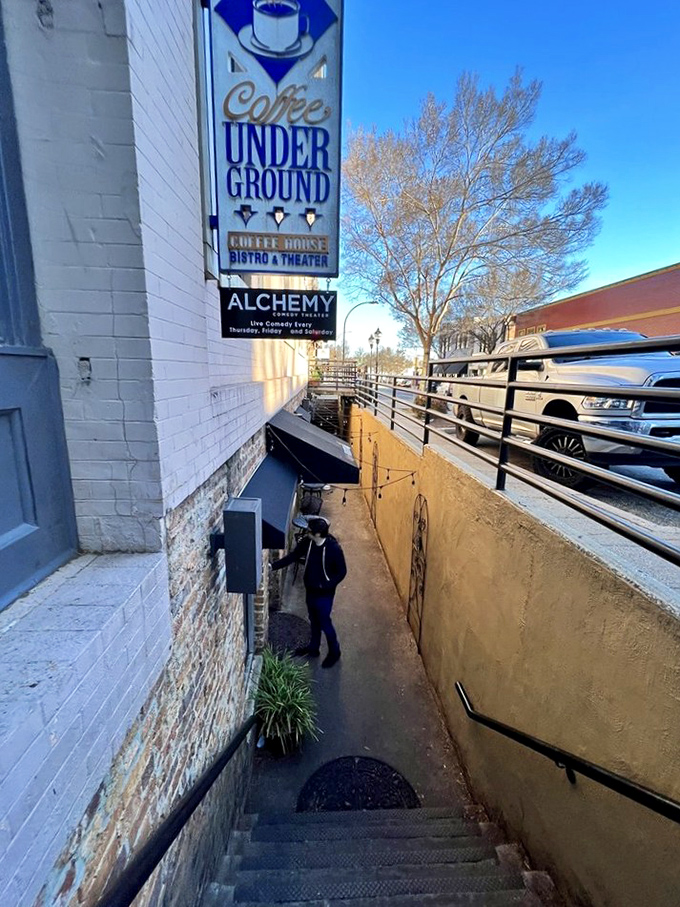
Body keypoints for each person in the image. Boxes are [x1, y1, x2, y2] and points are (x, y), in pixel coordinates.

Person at [271, 517, 347, 669]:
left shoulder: (333, 549)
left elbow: (342, 571)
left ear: (318, 534)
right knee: (313, 619)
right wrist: (272, 566)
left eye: (309, 531)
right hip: (310, 589)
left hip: (324, 594)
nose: (307, 533)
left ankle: (335, 651)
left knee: (325, 622)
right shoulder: (308, 543)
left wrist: (327, 584)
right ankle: (313, 648)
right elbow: (293, 556)